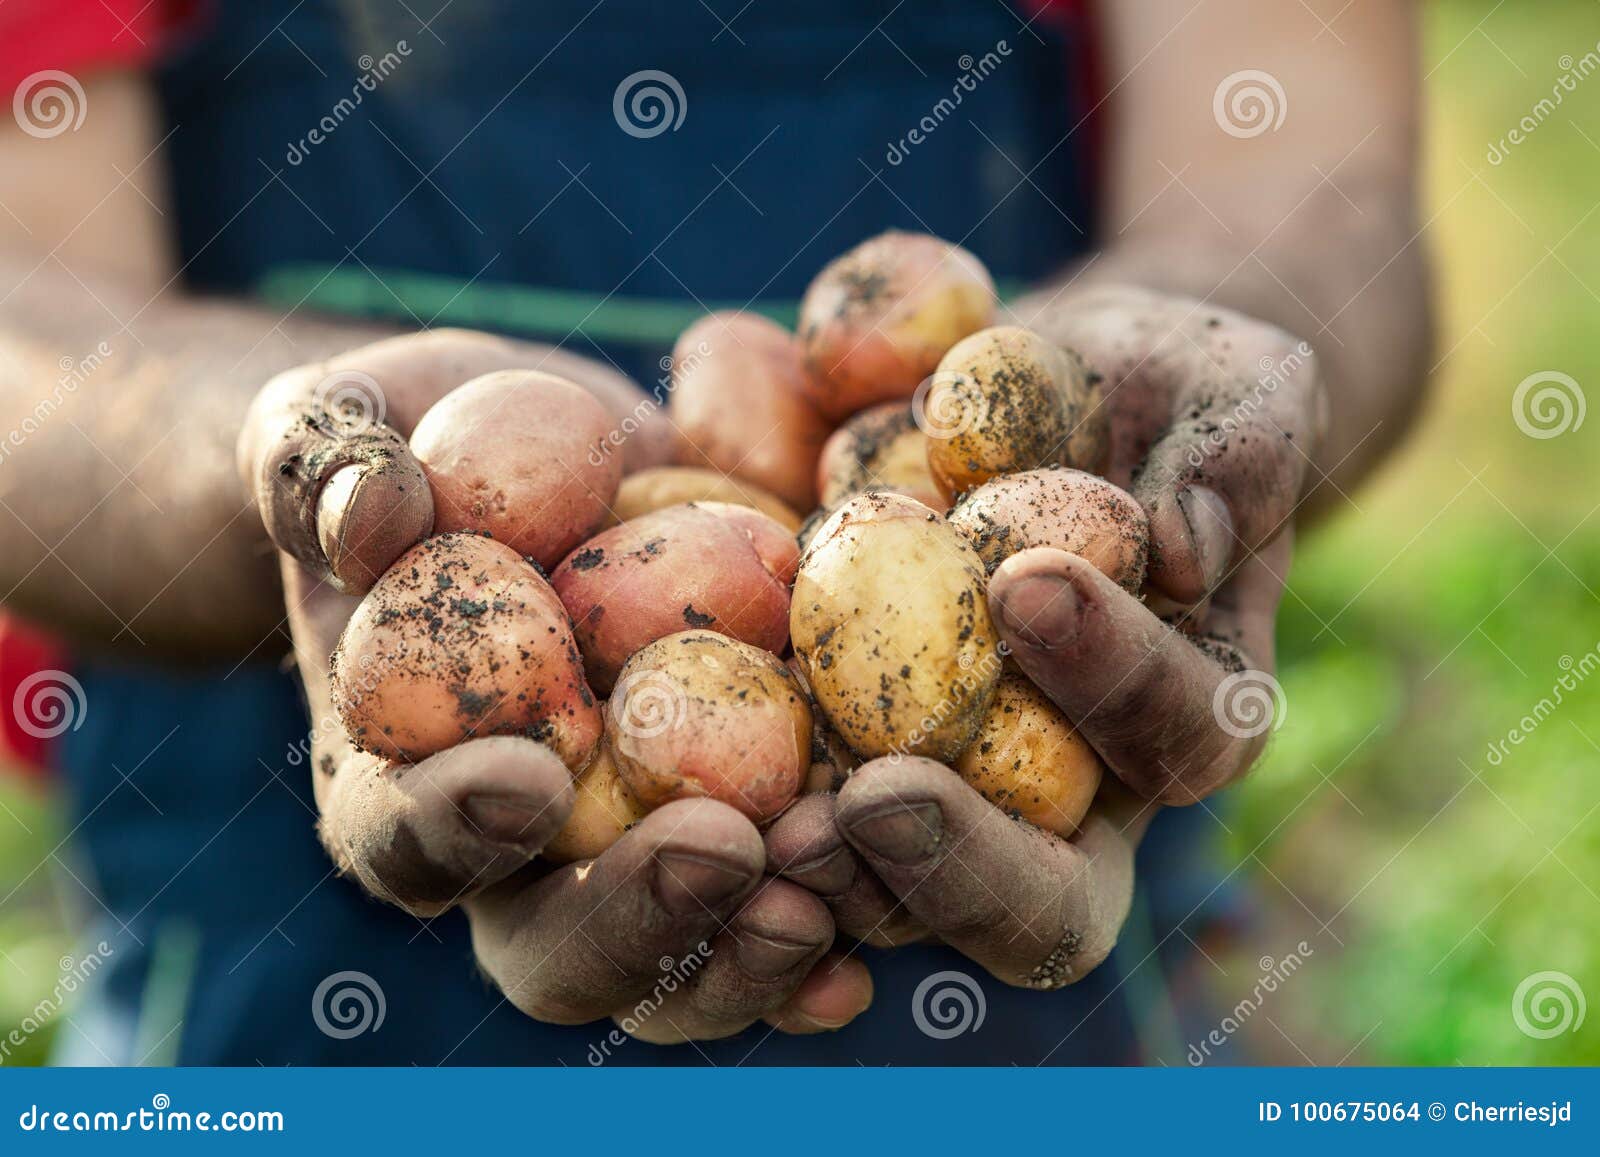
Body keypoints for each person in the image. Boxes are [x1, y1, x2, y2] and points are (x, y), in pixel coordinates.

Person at [0, 0, 1430, 1064]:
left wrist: (1208, 367)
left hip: (1041, 1005)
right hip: (280, 966)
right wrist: (274, 454)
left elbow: (1313, 187)